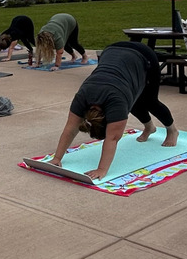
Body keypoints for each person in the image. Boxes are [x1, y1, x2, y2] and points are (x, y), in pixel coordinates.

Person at [49, 41, 179, 180]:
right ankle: (149, 128)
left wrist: (101, 169)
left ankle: (172, 130)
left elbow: (112, 138)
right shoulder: (82, 98)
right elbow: (71, 128)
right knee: (132, 101)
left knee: (150, 101)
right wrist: (57, 158)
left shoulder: (116, 103)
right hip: (111, 51)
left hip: (143, 55)